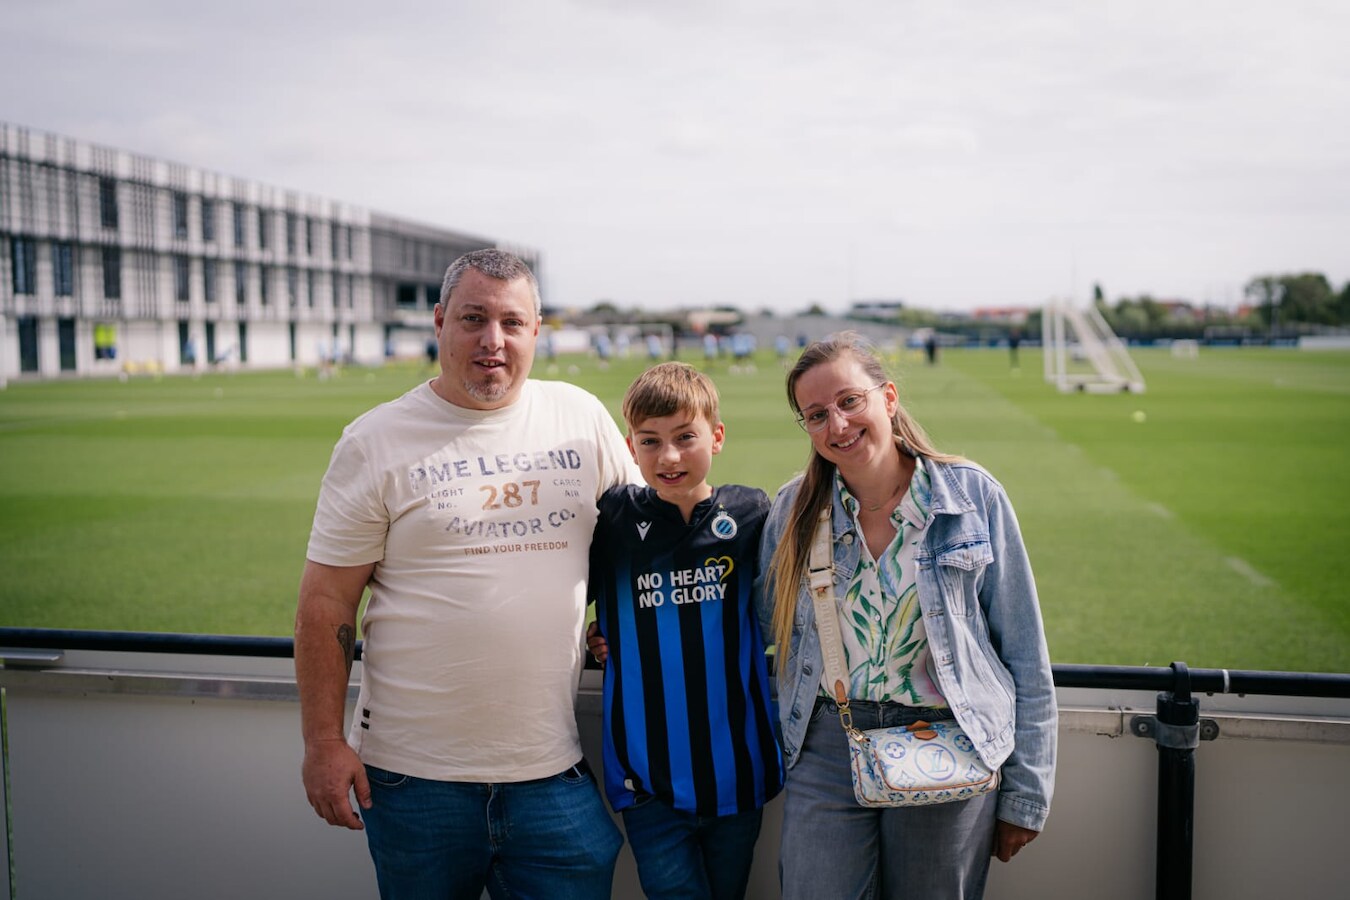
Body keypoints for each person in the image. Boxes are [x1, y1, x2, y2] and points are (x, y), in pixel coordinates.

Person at [295, 248, 638, 900]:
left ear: (537, 330)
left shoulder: (581, 418)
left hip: (551, 772)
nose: (493, 341)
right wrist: (321, 743)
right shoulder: (375, 440)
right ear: (439, 322)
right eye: (473, 319)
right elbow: (325, 603)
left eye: (512, 323)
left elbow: (644, 543)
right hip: (411, 782)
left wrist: (612, 622)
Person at [758, 332, 1056, 900]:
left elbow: (1024, 652)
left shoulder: (972, 497)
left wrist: (1025, 793)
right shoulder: (793, 509)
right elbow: (747, 619)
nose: (837, 426)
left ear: (888, 398)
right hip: (828, 744)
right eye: (816, 415)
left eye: (849, 402)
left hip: (950, 740)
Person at [586, 362, 784, 900]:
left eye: (685, 437)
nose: (668, 456)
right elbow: (557, 598)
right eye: (650, 441)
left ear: (716, 437)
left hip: (738, 777)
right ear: (630, 446)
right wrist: (588, 633)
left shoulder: (751, 514)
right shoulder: (614, 520)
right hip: (649, 786)